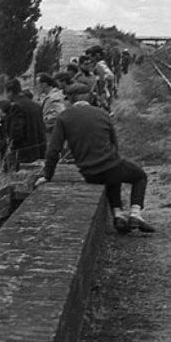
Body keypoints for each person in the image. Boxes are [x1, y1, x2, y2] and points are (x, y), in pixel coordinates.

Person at [35, 82, 155, 234]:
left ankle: (118, 215)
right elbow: (114, 146)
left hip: (89, 173)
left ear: (71, 99)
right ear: (88, 97)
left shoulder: (64, 117)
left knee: (110, 177)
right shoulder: (102, 114)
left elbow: (53, 150)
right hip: (111, 166)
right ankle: (135, 214)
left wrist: (47, 175)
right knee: (139, 176)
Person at [3, 79, 47, 166]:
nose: (6, 96)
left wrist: (11, 147)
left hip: (23, 152)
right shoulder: (35, 105)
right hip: (38, 149)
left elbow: (16, 131)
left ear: (10, 92)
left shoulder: (16, 107)